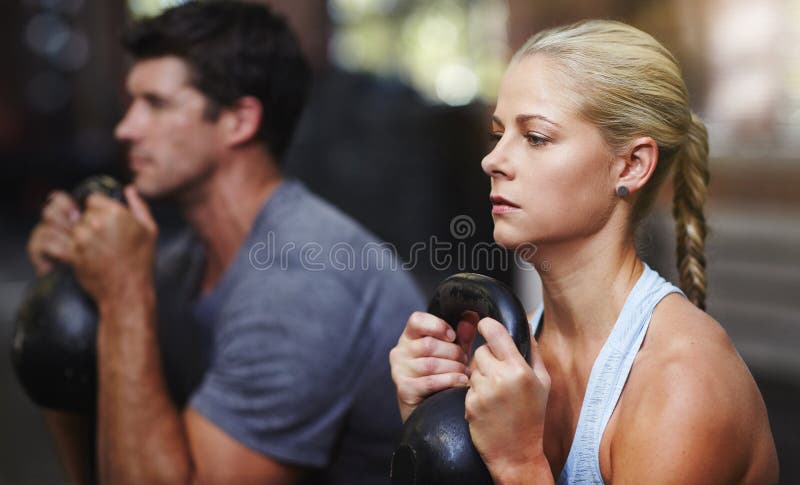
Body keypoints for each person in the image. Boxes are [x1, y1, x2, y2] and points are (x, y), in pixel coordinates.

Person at [27, 2, 423, 484]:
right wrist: (68, 304)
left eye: (156, 103)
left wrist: (124, 295)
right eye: (131, 102)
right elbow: (107, 467)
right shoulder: (176, 268)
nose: (125, 128)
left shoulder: (303, 279)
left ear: (239, 121)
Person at [389, 20, 779, 484]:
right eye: (499, 135)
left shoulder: (682, 383)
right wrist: (433, 423)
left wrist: (518, 463)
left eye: (535, 137)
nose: (492, 160)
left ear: (632, 165)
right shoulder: (510, 361)